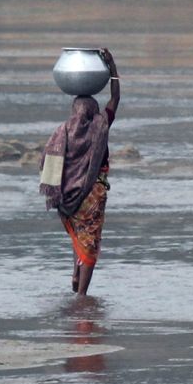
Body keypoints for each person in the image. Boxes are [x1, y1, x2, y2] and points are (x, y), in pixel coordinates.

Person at [39, 48, 120, 296]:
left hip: (67, 198)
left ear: (74, 111)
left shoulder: (62, 132)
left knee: (79, 236)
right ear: (93, 111)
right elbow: (115, 100)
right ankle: (82, 295)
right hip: (93, 194)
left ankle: (75, 271)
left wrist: (57, 192)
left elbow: (47, 164)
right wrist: (113, 69)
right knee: (90, 242)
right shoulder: (100, 126)